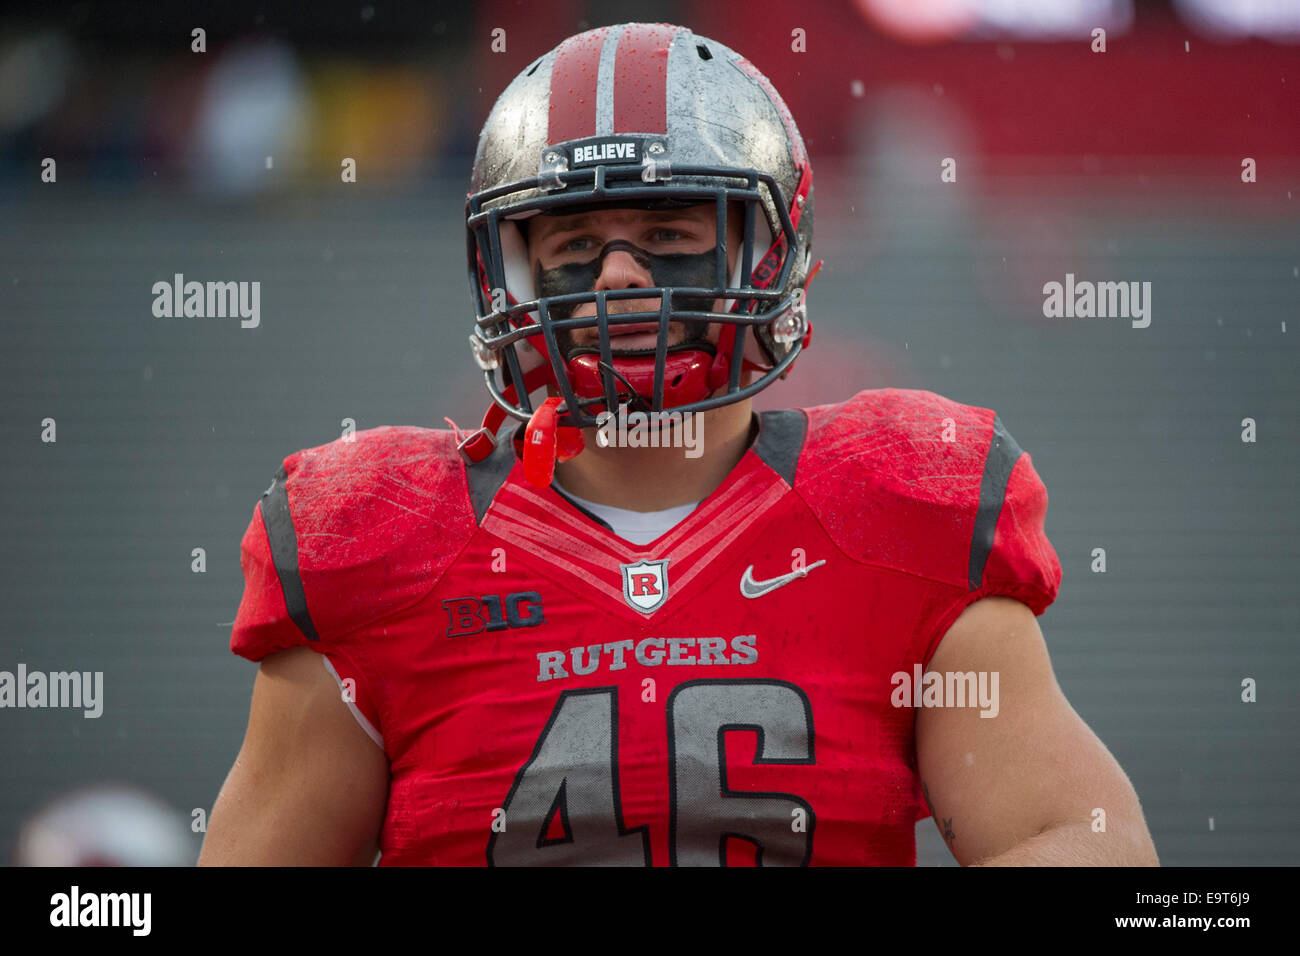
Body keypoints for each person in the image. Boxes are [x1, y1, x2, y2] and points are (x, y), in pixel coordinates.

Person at [200, 23, 1158, 866]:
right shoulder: (378, 546)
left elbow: (1081, 844)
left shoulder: (897, 518)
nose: (620, 277)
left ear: (766, 254)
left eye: (668, 229)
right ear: (512, 272)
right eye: (574, 245)